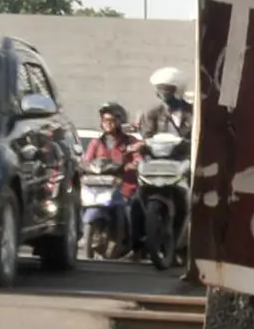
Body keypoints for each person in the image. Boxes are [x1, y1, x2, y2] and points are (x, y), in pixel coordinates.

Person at [79, 102, 143, 257]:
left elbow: (138, 158)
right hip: (100, 186)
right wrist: (83, 166)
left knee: (131, 209)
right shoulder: (96, 142)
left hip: (124, 186)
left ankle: (137, 244)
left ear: (119, 122)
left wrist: (132, 165)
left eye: (112, 120)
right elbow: (87, 160)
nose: (108, 124)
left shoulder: (130, 141)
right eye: (105, 120)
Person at [136, 67, 193, 142]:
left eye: (165, 89)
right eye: (158, 89)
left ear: (177, 90)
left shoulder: (193, 112)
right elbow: (146, 137)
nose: (161, 93)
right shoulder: (152, 112)